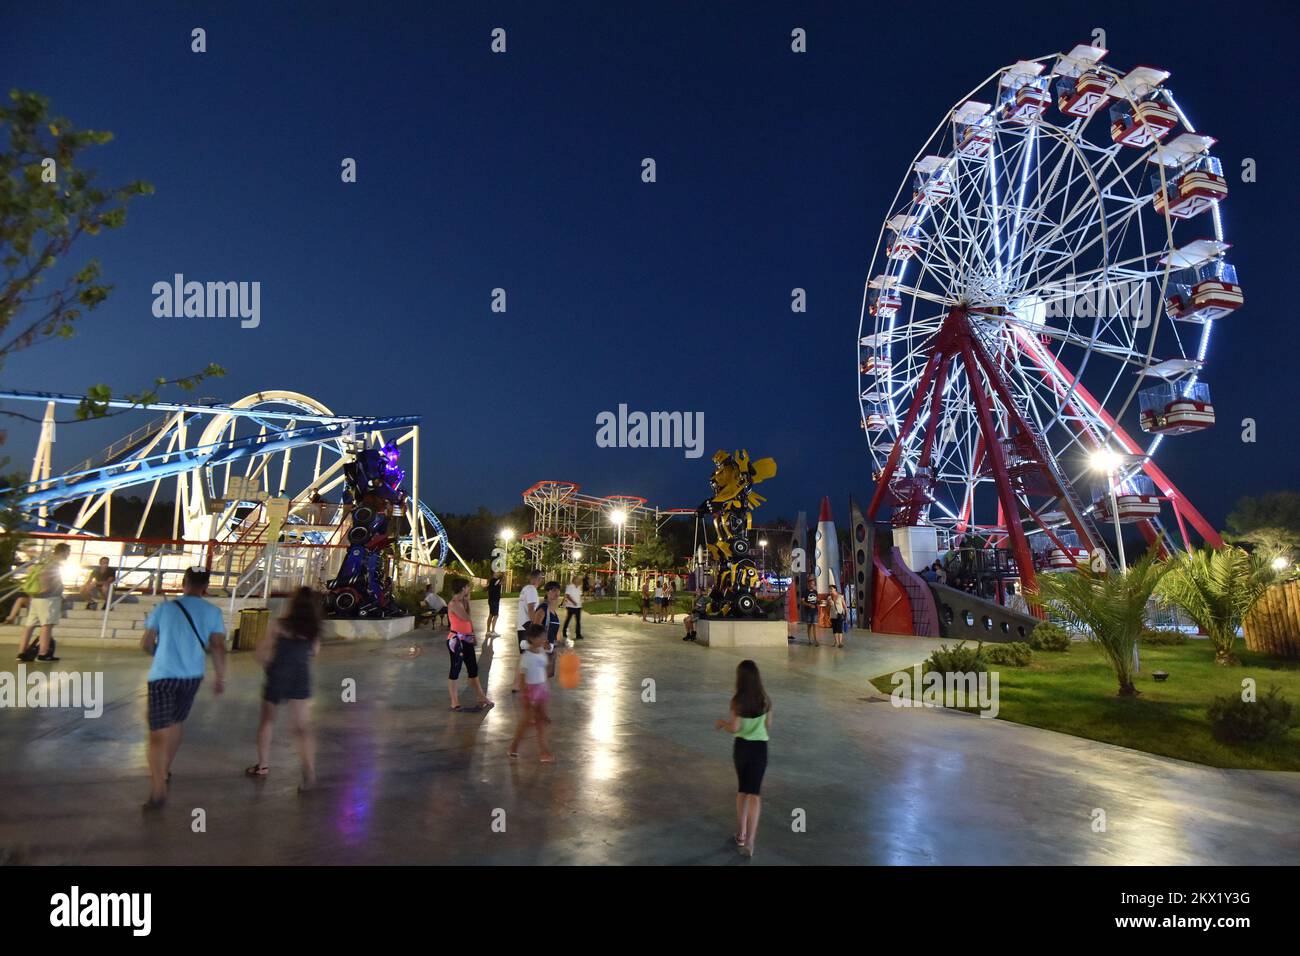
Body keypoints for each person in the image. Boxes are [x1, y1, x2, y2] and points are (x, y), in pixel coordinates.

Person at [140, 567, 228, 810]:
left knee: (157, 732)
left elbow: (146, 643)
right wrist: (220, 677)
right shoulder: (213, 612)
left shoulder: (165, 608)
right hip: (191, 677)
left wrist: (160, 655)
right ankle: (165, 770)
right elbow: (218, 647)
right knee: (177, 722)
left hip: (162, 675)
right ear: (206, 586)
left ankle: (158, 789)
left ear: (183, 583)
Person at [246, 587, 320, 788]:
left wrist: (267, 661)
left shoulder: (279, 625)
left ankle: (262, 766)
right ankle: (309, 772)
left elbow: (261, 652)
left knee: (268, 721)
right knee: (302, 727)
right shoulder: (312, 630)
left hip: (277, 675)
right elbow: (314, 651)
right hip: (300, 677)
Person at [715, 660, 771, 858]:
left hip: (742, 749)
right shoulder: (765, 700)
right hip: (760, 749)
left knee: (742, 791)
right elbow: (768, 724)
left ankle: (741, 833)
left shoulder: (737, 701)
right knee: (754, 794)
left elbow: (735, 728)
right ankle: (750, 841)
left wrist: (723, 724)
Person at [16, 543, 70, 662]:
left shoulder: (44, 561)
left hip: (36, 598)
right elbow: (49, 578)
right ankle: (43, 653)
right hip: (48, 598)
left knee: (29, 625)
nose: (68, 555)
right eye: (68, 552)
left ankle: (22, 652)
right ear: (63, 552)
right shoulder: (53, 563)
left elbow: (32, 571)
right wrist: (52, 591)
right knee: (47, 625)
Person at [445, 577, 493, 712]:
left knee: (473, 668)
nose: (469, 589)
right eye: (467, 587)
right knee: (455, 669)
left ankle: (481, 697)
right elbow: (466, 617)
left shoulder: (462, 602)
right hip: (456, 640)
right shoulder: (454, 603)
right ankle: (454, 701)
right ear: (462, 588)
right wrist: (468, 603)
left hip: (466, 638)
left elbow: (468, 622)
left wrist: (472, 635)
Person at [509, 622, 554, 763]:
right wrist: (526, 696)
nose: (543, 640)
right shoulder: (527, 657)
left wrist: (551, 656)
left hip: (541, 689)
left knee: (541, 722)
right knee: (526, 722)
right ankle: (513, 747)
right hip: (530, 691)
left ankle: (544, 752)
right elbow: (521, 677)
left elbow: (545, 670)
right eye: (541, 637)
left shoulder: (541, 652)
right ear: (532, 639)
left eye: (544, 637)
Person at [531, 581, 563, 678]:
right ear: (547, 592)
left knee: (546, 678)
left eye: (558, 591)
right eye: (553, 590)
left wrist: (558, 646)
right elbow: (535, 628)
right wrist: (544, 642)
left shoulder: (552, 610)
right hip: (541, 650)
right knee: (539, 679)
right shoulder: (543, 608)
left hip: (550, 650)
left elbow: (555, 631)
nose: (556, 593)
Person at [516, 570, 543, 652]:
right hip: (528, 628)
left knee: (526, 658)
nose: (541, 581)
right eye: (541, 578)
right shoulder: (532, 590)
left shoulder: (525, 589)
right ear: (538, 579)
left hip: (522, 627)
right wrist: (536, 628)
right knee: (530, 656)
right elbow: (531, 609)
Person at [562, 575, 584, 641]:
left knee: (578, 621)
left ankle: (578, 634)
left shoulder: (579, 587)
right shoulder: (570, 587)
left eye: (579, 580)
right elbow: (567, 595)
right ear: (574, 580)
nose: (579, 581)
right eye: (578, 579)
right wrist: (573, 602)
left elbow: (580, 595)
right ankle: (564, 631)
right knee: (568, 619)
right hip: (571, 606)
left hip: (578, 606)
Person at [485, 571, 503, 637]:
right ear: (493, 574)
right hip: (494, 601)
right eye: (496, 572)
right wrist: (504, 574)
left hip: (491, 600)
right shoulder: (496, 581)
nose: (498, 573)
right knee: (496, 615)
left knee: (491, 615)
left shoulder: (491, 581)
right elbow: (503, 581)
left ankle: (488, 631)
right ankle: (493, 631)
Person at [829, 584, 847, 649]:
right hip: (833, 615)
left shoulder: (840, 596)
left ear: (835, 589)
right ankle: (836, 642)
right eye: (829, 589)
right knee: (834, 629)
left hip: (840, 614)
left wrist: (846, 615)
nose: (830, 590)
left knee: (839, 629)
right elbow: (827, 607)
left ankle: (840, 642)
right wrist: (829, 605)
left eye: (831, 589)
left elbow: (845, 606)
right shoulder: (829, 598)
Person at [803, 582, 820, 647]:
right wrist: (809, 605)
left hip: (815, 611)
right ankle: (810, 640)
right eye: (811, 584)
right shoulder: (805, 592)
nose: (812, 585)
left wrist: (819, 601)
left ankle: (816, 640)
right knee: (809, 626)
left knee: (815, 626)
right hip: (808, 611)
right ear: (808, 584)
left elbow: (817, 600)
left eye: (813, 584)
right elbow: (803, 601)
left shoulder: (815, 592)